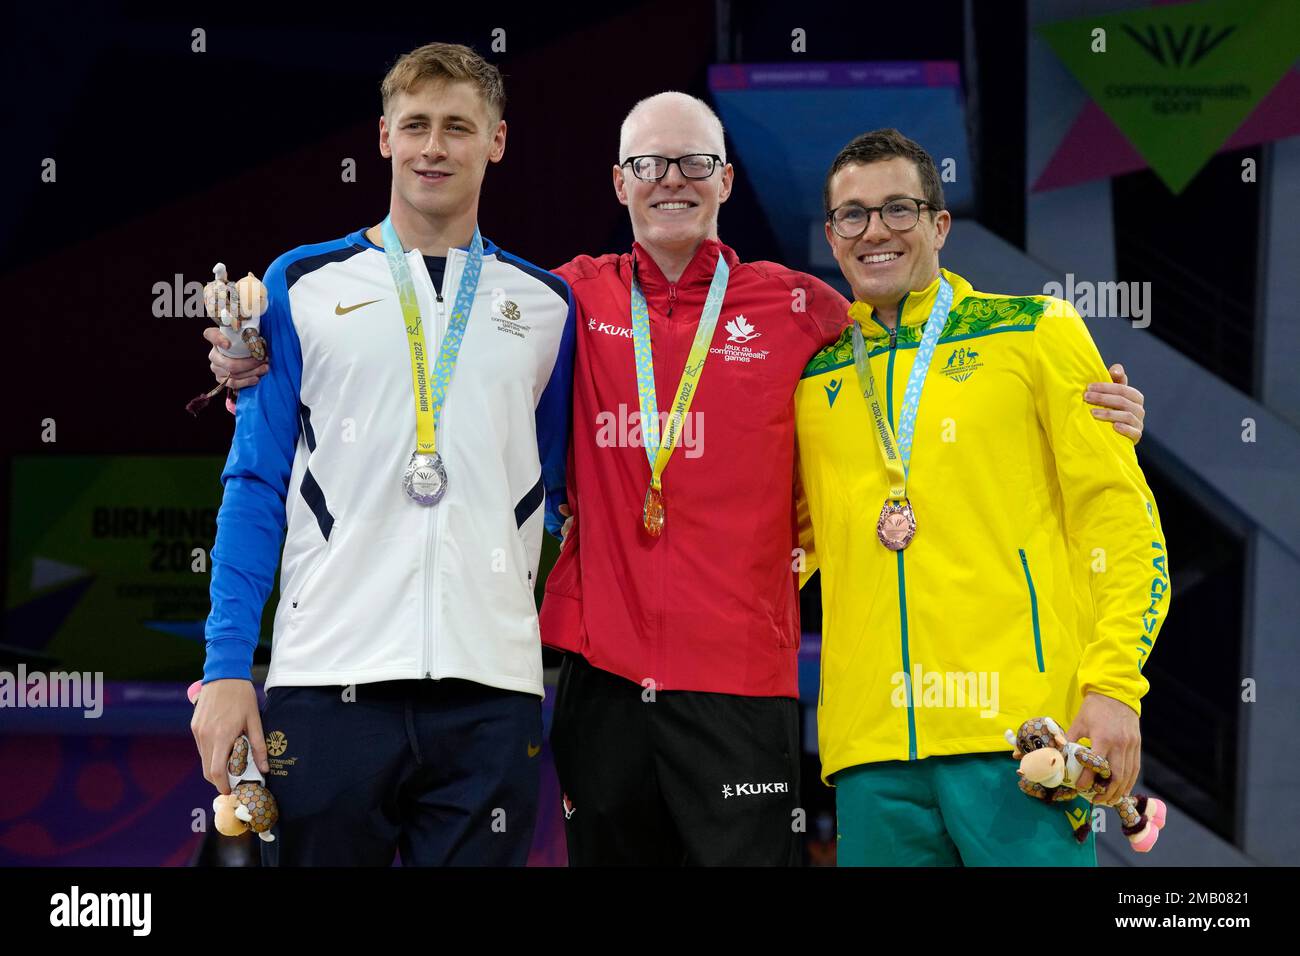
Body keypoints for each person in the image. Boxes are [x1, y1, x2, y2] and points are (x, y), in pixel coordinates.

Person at [211, 93, 1146, 866]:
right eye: (650, 165)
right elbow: (418, 345)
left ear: (725, 182)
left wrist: (1086, 396)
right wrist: (257, 343)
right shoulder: (553, 300)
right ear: (618, 183)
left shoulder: (802, 310)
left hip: (745, 688)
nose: (672, 181)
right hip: (601, 679)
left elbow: (911, 361)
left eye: (694, 163)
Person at [192, 42, 576, 866]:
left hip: (492, 691)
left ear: (497, 141)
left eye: (457, 127)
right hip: (328, 683)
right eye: (416, 126)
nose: (434, 146)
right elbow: (255, 483)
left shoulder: (547, 307)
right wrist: (225, 666)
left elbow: (560, 489)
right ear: (383, 138)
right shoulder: (301, 286)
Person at [796, 128, 1170, 866]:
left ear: (940, 224)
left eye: (898, 209)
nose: (875, 231)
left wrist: (1116, 684)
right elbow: (786, 544)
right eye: (853, 215)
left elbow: (1118, 517)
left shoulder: (1035, 331)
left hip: (1021, 740)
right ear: (833, 237)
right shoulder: (814, 379)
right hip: (871, 754)